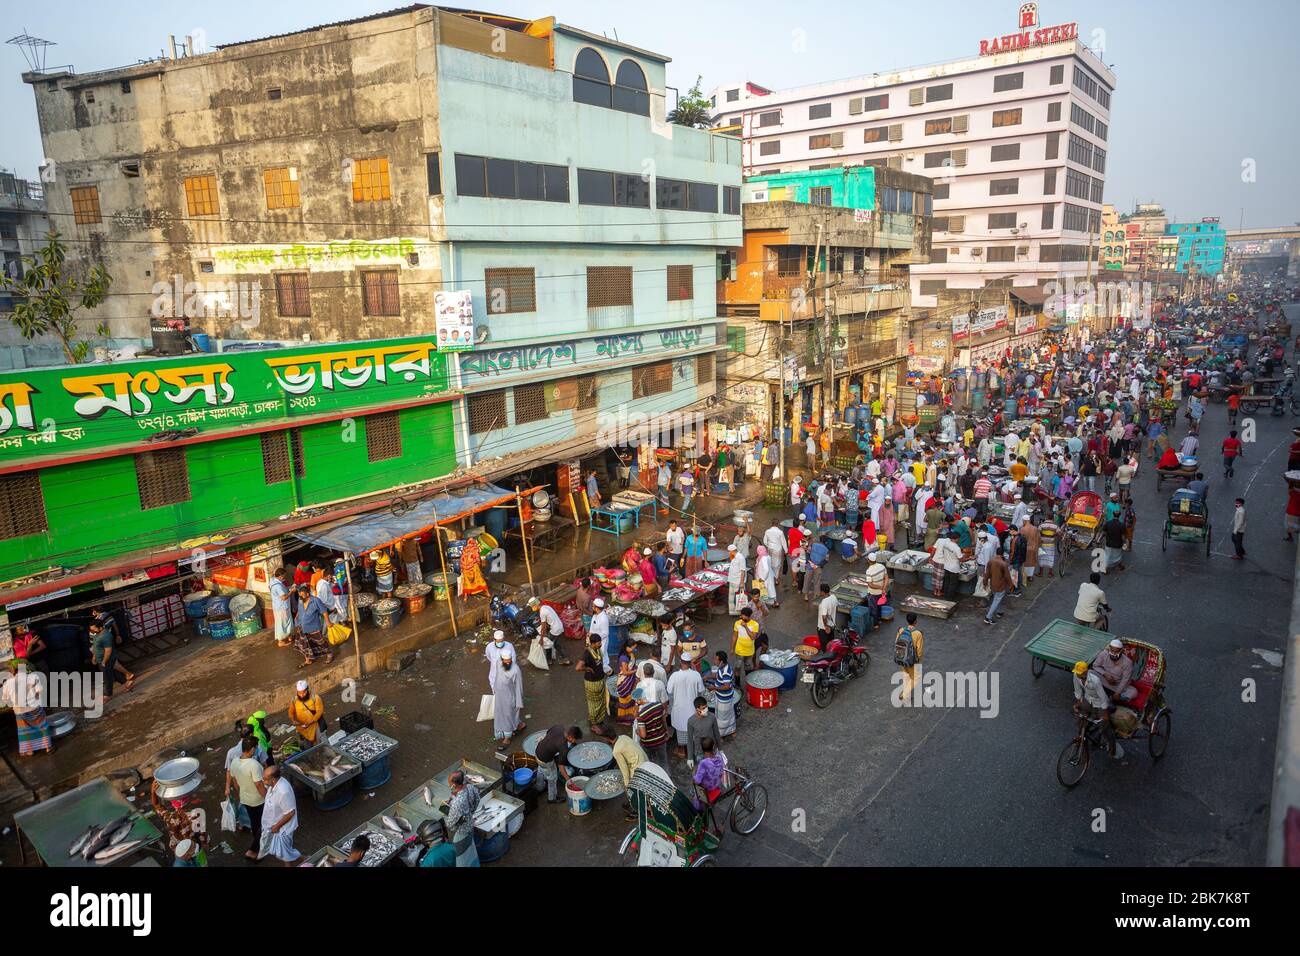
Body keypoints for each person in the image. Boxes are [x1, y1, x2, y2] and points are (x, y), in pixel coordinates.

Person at [1, 659, 54, 757]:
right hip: (35, 708)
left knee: (25, 730)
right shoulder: (33, 677)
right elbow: (39, 691)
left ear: (13, 670)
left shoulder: (7, 683)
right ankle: (48, 747)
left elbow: (4, 700)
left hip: (19, 711)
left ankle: (30, 751)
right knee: (42, 726)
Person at [227, 735, 267, 861]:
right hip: (258, 800)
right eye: (256, 747)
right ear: (253, 749)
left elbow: (235, 782)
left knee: (255, 823)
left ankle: (259, 843)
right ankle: (253, 850)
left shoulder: (234, 762)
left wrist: (240, 793)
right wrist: (268, 798)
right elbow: (259, 784)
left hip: (246, 799)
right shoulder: (253, 765)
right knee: (264, 824)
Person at [1072, 660, 1122, 759]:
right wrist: (1077, 704)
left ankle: (1112, 747)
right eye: (1077, 673)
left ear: (1086, 672)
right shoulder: (1076, 676)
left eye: (1080, 673)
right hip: (1088, 699)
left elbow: (1103, 698)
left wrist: (1105, 714)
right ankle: (1081, 738)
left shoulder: (1095, 681)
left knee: (1104, 726)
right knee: (1080, 720)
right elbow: (1078, 691)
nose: (1077, 675)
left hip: (1099, 702)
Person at [667, 654, 706, 759]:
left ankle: (682, 751)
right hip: (693, 710)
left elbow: (669, 690)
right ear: (690, 663)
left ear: (681, 662)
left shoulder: (674, 676)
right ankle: (697, 753)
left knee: (681, 731)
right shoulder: (696, 675)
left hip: (679, 710)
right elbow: (701, 690)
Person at [259, 765, 300, 864]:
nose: (262, 780)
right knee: (284, 853)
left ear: (273, 779)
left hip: (283, 829)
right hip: (274, 825)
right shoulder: (273, 784)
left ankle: (305, 859)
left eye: (264, 779)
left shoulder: (283, 791)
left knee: (286, 854)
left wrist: (277, 826)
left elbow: (291, 812)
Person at [535, 724, 581, 803]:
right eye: (575, 740)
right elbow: (561, 768)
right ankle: (552, 798)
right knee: (552, 778)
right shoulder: (563, 747)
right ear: (570, 737)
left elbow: (548, 733)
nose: (575, 742)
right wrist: (569, 781)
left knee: (541, 769)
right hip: (546, 760)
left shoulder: (559, 728)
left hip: (537, 752)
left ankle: (539, 787)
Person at [445, 770, 482, 867]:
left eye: (449, 782)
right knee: (470, 849)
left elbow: (449, 824)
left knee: (462, 856)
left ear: (453, 784)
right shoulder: (470, 787)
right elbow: (477, 799)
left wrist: (448, 810)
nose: (448, 784)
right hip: (470, 824)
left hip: (461, 832)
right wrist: (470, 812)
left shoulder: (457, 804)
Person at [90, 622, 134, 701]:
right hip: (101, 659)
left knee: (107, 677)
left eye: (94, 629)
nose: (93, 631)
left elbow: (108, 650)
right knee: (114, 673)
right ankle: (127, 684)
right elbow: (96, 647)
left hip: (107, 659)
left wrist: (104, 661)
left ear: (100, 627)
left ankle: (108, 695)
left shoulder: (106, 636)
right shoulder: (98, 634)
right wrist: (94, 657)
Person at [292, 584, 334, 666]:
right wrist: (296, 617)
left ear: (307, 594)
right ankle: (308, 659)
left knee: (320, 642)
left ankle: (329, 654)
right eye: (300, 595)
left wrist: (328, 622)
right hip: (302, 626)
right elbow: (299, 610)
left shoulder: (316, 601)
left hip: (313, 626)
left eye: (303, 595)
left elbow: (324, 612)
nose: (301, 596)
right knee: (305, 644)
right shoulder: (301, 600)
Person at [491, 645, 525, 743]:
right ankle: (519, 725)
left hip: (510, 698)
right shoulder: (498, 662)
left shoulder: (515, 670)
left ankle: (507, 738)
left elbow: (519, 687)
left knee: (508, 716)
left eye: (509, 660)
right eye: (505, 661)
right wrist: (495, 688)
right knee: (502, 714)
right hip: (499, 695)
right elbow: (497, 676)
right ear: (501, 659)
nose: (508, 662)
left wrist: (519, 702)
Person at [635, 673, 671, 768]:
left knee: (650, 763)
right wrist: (666, 732)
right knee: (663, 762)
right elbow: (663, 721)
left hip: (648, 743)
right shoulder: (658, 705)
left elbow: (643, 735)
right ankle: (667, 779)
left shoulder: (641, 715)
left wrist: (637, 732)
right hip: (661, 740)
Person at [612, 732, 647, 817]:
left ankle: (637, 812)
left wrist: (627, 786)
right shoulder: (623, 736)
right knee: (637, 791)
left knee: (634, 790)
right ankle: (633, 803)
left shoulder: (616, 750)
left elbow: (624, 771)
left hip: (639, 769)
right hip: (645, 761)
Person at [1091, 638, 1137, 704]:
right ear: (1109, 649)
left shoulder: (1127, 663)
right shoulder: (1103, 654)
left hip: (1117, 685)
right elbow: (1095, 666)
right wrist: (1105, 674)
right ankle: (1104, 693)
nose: (1113, 654)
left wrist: (1117, 693)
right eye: (1112, 651)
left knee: (1134, 692)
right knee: (1090, 673)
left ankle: (1112, 697)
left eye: (1116, 652)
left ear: (1121, 651)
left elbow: (1125, 680)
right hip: (1104, 680)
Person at [579, 634, 609, 732]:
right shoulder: (587, 653)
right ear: (592, 644)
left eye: (600, 642)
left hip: (600, 680)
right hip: (592, 683)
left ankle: (598, 720)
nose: (600, 644)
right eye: (598, 643)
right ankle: (593, 724)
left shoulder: (597, 649)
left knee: (600, 701)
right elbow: (578, 667)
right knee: (593, 704)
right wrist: (587, 668)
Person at [707, 650, 738, 740]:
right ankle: (732, 731)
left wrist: (713, 688)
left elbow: (726, 687)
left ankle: (722, 734)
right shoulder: (721, 667)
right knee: (730, 714)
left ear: (721, 661)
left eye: (716, 659)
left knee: (722, 717)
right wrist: (708, 677)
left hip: (724, 699)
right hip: (723, 697)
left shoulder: (726, 672)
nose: (714, 661)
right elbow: (717, 676)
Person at [691, 736, 727, 811]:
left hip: (707, 791)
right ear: (713, 747)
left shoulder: (703, 763)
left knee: (693, 789)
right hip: (716, 786)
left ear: (702, 749)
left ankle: (700, 812)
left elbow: (697, 781)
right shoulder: (719, 758)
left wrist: (694, 772)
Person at [288, 679, 325, 749]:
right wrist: (293, 720)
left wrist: (312, 721)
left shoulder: (315, 698)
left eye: (304, 692)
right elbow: (291, 712)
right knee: (307, 746)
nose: (301, 695)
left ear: (307, 689)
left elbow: (319, 711)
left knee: (321, 744)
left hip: (315, 726)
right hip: (302, 728)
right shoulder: (294, 700)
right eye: (299, 693)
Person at [894, 613, 924, 698]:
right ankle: (904, 693)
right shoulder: (918, 634)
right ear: (915, 622)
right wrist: (918, 659)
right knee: (916, 678)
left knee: (906, 675)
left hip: (902, 657)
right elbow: (919, 650)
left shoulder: (901, 630)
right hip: (912, 660)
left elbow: (896, 642)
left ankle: (906, 691)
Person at [686, 695, 721, 769]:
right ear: (697, 709)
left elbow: (716, 733)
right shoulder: (691, 721)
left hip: (712, 750)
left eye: (706, 707)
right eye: (703, 708)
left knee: (713, 771)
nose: (706, 709)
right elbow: (689, 739)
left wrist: (720, 749)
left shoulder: (712, 717)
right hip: (699, 752)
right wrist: (690, 757)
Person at [533, 598, 571, 665]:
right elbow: (550, 617)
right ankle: (565, 658)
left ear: (535, 606)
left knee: (547, 642)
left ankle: (549, 661)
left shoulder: (542, 612)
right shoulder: (546, 607)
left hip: (555, 629)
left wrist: (541, 638)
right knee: (556, 644)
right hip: (560, 626)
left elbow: (543, 627)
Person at [930, 529, 963, 599]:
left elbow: (933, 549)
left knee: (935, 576)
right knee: (940, 578)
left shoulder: (940, 540)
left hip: (935, 560)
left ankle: (935, 591)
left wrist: (931, 557)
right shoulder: (949, 543)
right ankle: (939, 592)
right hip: (942, 562)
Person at [982, 550, 1012, 625]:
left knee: (997, 598)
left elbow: (987, 574)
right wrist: (1011, 585)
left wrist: (984, 583)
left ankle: (999, 612)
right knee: (996, 600)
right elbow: (1007, 576)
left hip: (993, 584)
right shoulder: (1004, 564)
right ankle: (988, 617)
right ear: (1002, 555)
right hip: (1001, 585)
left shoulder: (990, 561)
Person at [730, 608, 758, 687]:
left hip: (749, 652)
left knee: (748, 667)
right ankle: (738, 685)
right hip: (739, 651)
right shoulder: (737, 623)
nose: (741, 617)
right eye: (741, 615)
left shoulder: (755, 624)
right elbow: (734, 636)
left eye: (743, 616)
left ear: (748, 616)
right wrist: (732, 648)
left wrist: (746, 627)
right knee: (737, 668)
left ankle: (748, 684)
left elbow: (753, 637)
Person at [270, 568, 293, 648]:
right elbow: (283, 597)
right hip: (281, 607)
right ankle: (281, 641)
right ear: (279, 576)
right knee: (282, 624)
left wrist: (288, 588)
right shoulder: (277, 586)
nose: (284, 577)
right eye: (283, 576)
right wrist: (291, 592)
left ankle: (287, 636)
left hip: (279, 607)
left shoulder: (273, 581)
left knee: (285, 622)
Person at [726, 543, 747, 616]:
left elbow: (743, 571)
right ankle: (732, 611)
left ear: (732, 551)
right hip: (732, 580)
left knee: (738, 598)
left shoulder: (740, 558)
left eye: (729, 551)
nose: (728, 553)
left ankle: (740, 612)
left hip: (737, 581)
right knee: (731, 597)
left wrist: (741, 583)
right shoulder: (733, 557)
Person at [816, 583, 838, 647]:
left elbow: (824, 617)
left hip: (824, 628)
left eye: (820, 591)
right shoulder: (834, 597)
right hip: (832, 625)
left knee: (825, 647)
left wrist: (826, 626)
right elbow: (837, 607)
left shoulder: (824, 602)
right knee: (831, 645)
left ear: (822, 592)